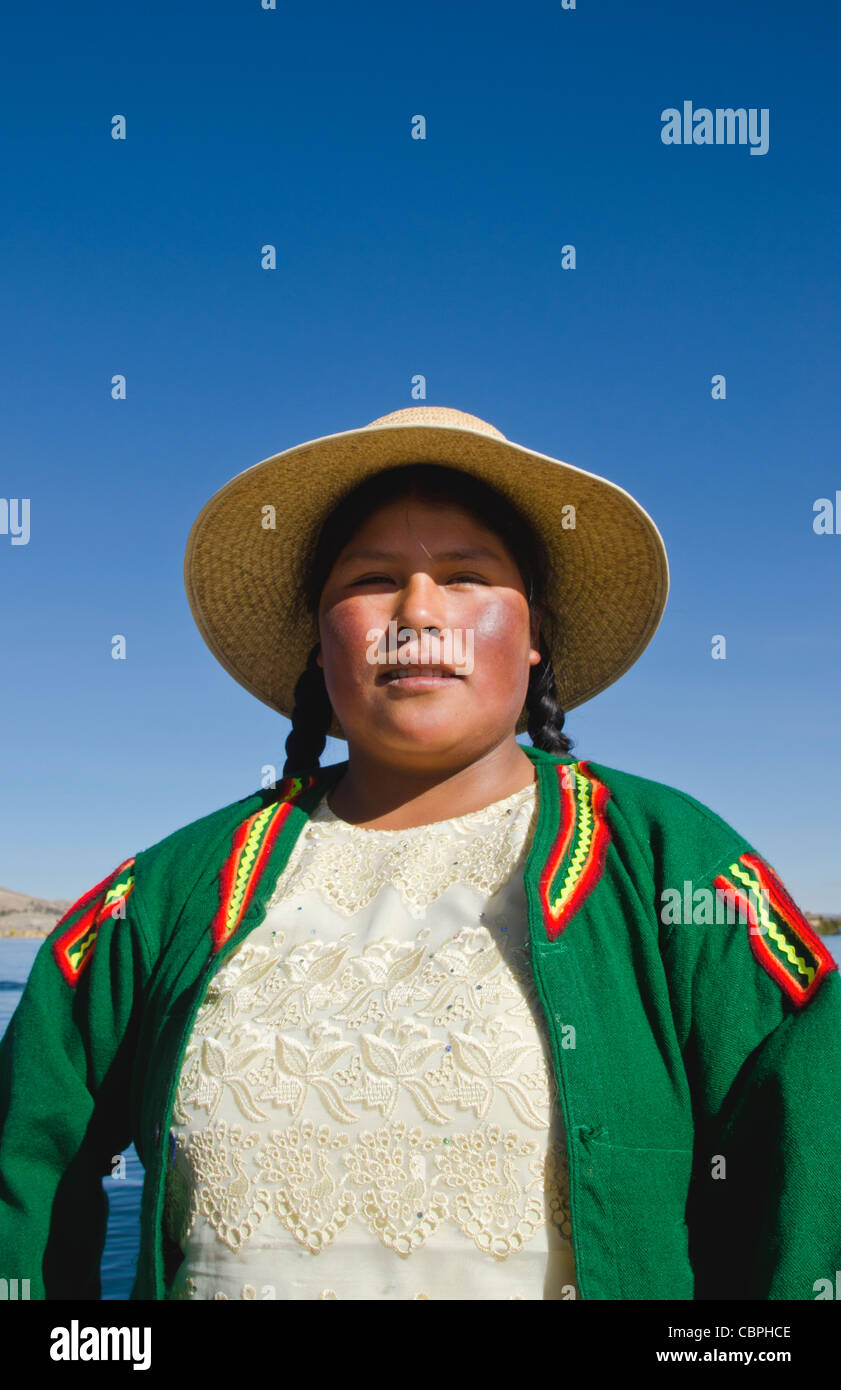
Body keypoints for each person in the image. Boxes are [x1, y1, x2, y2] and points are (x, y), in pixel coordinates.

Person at [1, 404, 839, 1302]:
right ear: (318, 643)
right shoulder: (169, 892)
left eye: (467, 576)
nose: (417, 612)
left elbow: (809, 1179)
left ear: (534, 634)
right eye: (371, 580)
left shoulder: (679, 869)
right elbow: (26, 1164)